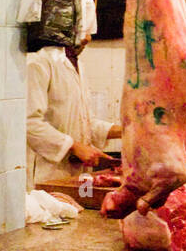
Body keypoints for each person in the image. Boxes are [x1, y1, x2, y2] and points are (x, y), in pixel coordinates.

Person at [26, 34, 120, 186]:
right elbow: (28, 122)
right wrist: (73, 146)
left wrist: (127, 131)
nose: (88, 38)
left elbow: (84, 122)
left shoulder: (78, 64)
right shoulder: (38, 61)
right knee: (58, 208)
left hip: (81, 176)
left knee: (83, 206)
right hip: (47, 174)